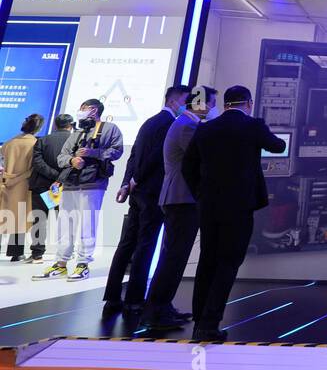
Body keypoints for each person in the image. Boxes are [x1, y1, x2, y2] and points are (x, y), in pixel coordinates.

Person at [182, 85, 284, 342]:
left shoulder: (205, 128)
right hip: (239, 206)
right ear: (248, 103)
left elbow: (188, 166)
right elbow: (277, 146)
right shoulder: (253, 126)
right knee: (229, 262)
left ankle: (199, 319)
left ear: (226, 104)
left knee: (207, 260)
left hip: (209, 205)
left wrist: (200, 194)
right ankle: (209, 323)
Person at [102, 85, 190, 317]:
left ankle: (112, 297)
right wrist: (135, 181)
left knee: (127, 243)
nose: (188, 105)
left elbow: (134, 156)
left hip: (138, 192)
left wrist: (127, 183)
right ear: (174, 101)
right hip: (152, 192)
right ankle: (134, 299)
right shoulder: (170, 124)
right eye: (186, 100)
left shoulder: (148, 122)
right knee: (145, 245)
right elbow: (153, 158)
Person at [141, 86, 216, 333]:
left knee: (175, 256)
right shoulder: (187, 126)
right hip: (181, 198)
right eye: (211, 103)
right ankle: (155, 310)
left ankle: (163, 306)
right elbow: (203, 156)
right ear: (201, 103)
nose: (212, 108)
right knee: (173, 256)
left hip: (182, 198)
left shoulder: (187, 124)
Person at [34, 99, 123, 281]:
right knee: (65, 223)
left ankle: (83, 264)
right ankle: (61, 263)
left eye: (84, 108)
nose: (81, 111)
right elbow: (62, 156)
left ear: (94, 109)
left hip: (93, 182)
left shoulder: (109, 128)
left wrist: (94, 153)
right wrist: (71, 161)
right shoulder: (77, 132)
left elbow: (117, 150)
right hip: (71, 183)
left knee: (88, 224)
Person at [27, 113, 74, 263]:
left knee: (39, 220)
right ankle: (66, 253)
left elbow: (38, 163)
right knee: (66, 220)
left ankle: (37, 255)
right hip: (64, 186)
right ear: (70, 126)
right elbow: (74, 163)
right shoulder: (75, 141)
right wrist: (59, 178)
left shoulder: (43, 140)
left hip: (41, 184)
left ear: (55, 125)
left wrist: (53, 176)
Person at [1, 114, 44, 260]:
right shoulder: (35, 143)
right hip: (24, 184)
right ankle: (16, 253)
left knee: (2, 218)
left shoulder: (9, 142)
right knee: (19, 219)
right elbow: (34, 167)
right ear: (38, 127)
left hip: (5, 183)